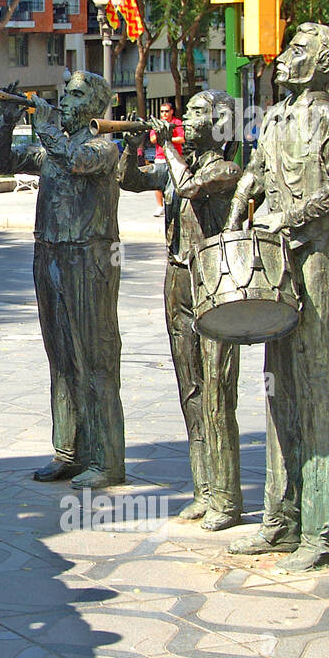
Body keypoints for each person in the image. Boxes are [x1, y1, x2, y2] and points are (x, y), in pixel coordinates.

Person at [224, 22, 329, 571]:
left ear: (325, 65)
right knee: (280, 385)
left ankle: (324, 535)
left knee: (323, 388)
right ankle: (280, 520)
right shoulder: (278, 116)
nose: (282, 58)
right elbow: (257, 172)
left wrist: (289, 216)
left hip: (321, 261)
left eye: (297, 52)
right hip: (279, 260)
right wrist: (240, 208)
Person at [0, 72, 126, 489]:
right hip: (48, 253)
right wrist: (6, 121)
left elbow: (77, 161)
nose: (65, 99)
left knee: (96, 361)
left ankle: (108, 460)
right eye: (65, 92)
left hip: (88, 257)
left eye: (77, 94)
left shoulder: (103, 146)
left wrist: (46, 125)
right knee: (62, 360)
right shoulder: (52, 148)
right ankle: (68, 451)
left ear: (96, 104)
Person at [119, 91, 244, 530]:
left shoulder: (224, 170)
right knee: (189, 389)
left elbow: (190, 187)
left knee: (216, 391)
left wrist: (165, 145)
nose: (186, 121)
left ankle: (227, 498)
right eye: (185, 115)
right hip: (178, 279)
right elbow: (130, 180)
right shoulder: (176, 167)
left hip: (213, 281)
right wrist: (134, 145)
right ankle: (203, 491)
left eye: (195, 114)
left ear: (219, 124)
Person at [152, 101, 184, 216]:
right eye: (162, 111)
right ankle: (160, 206)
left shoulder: (177, 123)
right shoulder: (157, 123)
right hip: (160, 157)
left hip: (175, 158)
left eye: (166, 111)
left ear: (172, 111)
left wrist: (167, 138)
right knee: (158, 183)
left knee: (175, 183)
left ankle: (175, 205)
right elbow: (153, 139)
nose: (164, 114)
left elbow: (181, 139)